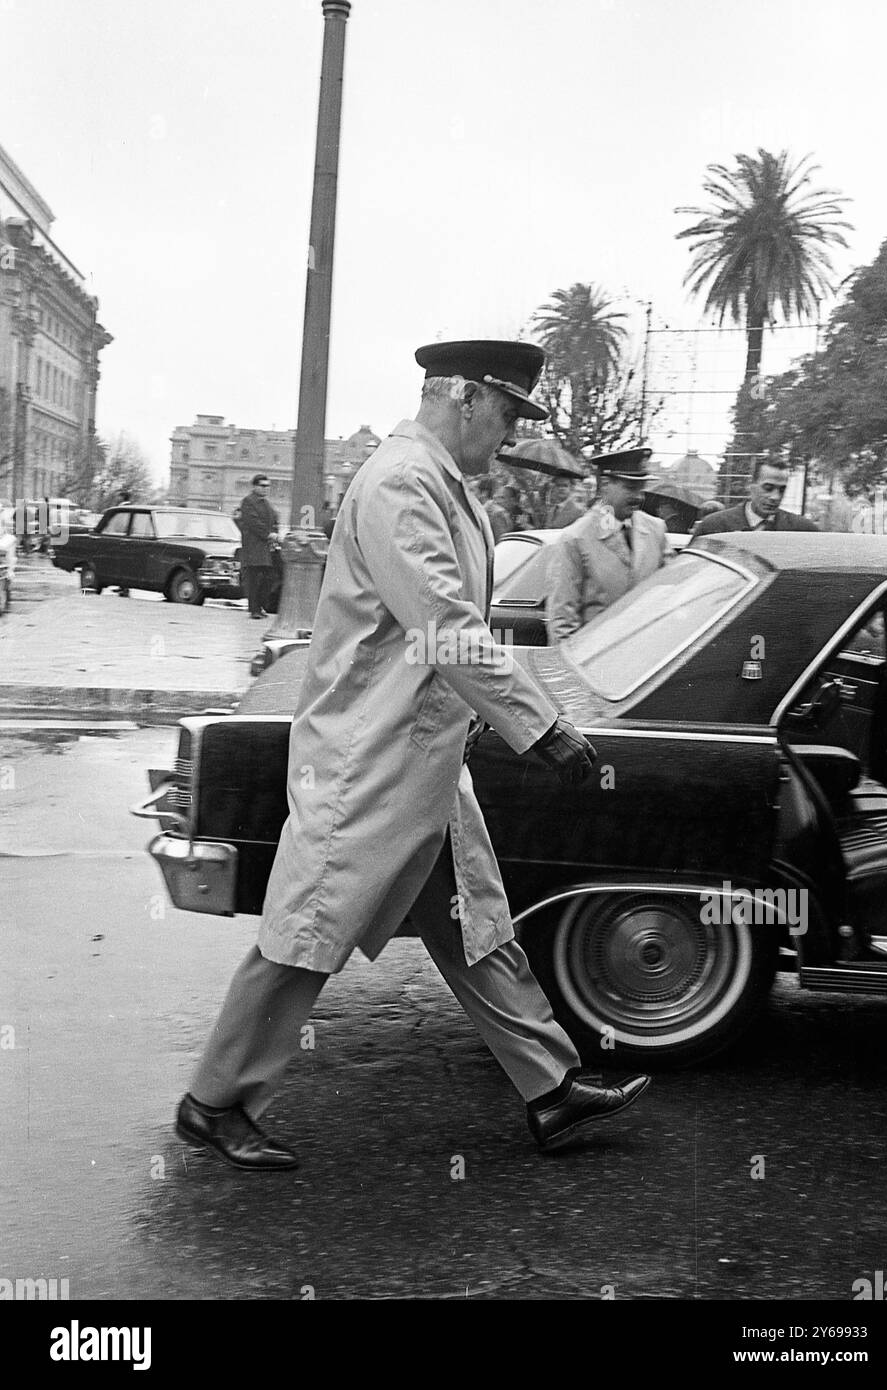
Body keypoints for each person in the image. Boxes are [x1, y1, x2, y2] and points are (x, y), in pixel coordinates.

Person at [175, 339, 651, 1170]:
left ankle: (551, 1086)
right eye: (506, 413)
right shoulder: (403, 482)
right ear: (462, 396)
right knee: (307, 932)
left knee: (478, 922)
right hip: (370, 758)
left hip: (422, 752)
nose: (508, 433)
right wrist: (539, 725)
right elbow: (443, 625)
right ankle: (214, 1102)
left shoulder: (442, 483)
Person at [546, 448, 671, 644]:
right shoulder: (575, 538)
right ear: (605, 484)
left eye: (641, 488)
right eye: (630, 488)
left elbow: (672, 592)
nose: (639, 497)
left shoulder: (656, 529)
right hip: (595, 662)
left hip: (648, 660)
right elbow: (562, 619)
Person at [692, 460, 819, 536]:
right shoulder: (714, 526)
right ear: (750, 485)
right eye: (768, 488)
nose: (775, 497)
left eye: (782, 490)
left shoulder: (801, 530)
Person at [236, 473, 280, 619]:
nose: (265, 489)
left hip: (265, 548)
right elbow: (253, 522)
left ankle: (260, 606)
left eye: (267, 486)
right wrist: (269, 534)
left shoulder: (267, 504)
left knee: (268, 578)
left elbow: (274, 520)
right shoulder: (248, 502)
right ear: (254, 486)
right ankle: (254, 609)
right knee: (254, 579)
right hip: (253, 548)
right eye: (262, 486)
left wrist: (274, 532)